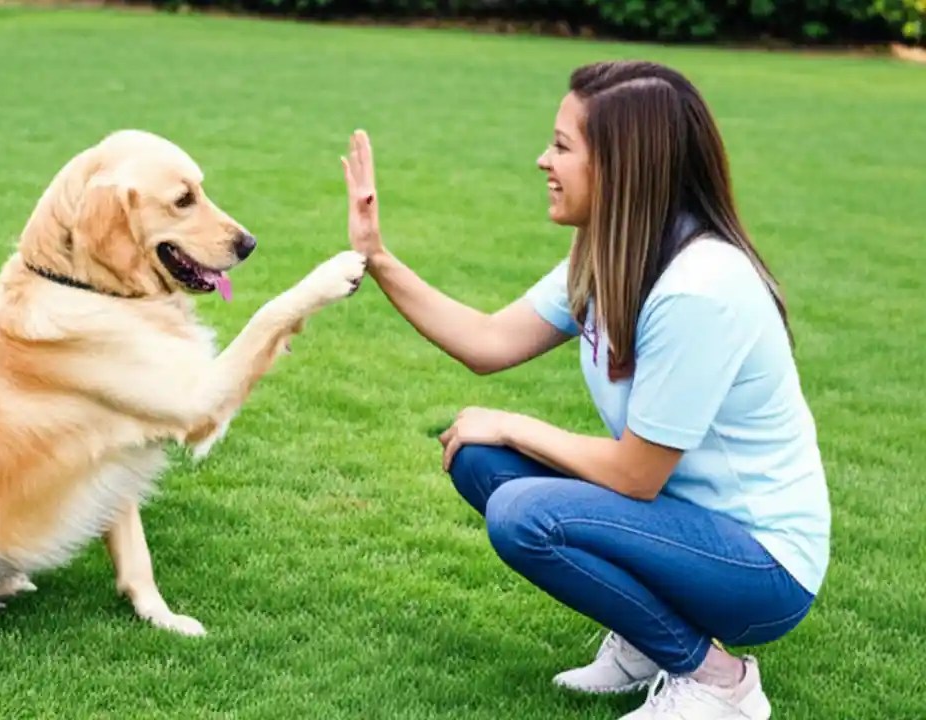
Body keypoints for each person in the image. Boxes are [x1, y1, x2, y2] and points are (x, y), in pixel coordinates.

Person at [339, 60, 829, 720]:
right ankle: (649, 646)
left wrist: (513, 424)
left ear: (621, 165)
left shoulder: (700, 289)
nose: (544, 160)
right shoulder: (606, 255)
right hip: (681, 526)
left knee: (522, 511)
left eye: (563, 146)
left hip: (761, 566)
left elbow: (635, 476)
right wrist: (376, 256)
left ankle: (721, 682)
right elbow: (488, 341)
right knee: (480, 461)